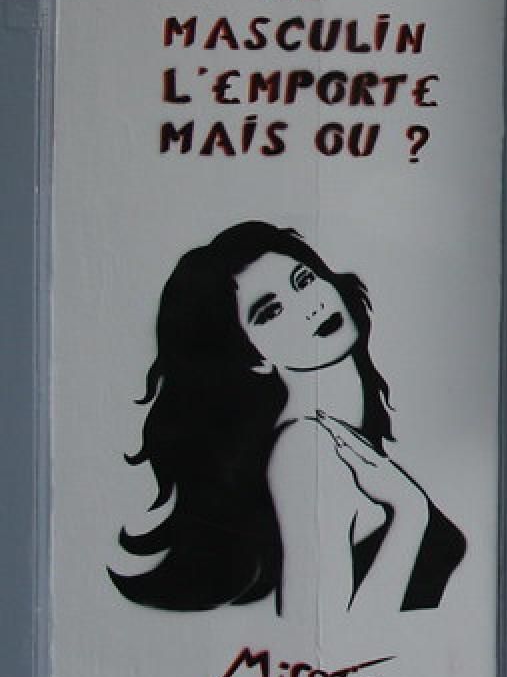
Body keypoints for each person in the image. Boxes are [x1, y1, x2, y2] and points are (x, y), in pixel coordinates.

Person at [111, 221, 465, 614]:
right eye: (271, 311)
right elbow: (325, 634)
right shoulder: (305, 450)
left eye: (304, 280)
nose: (311, 304)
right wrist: (409, 513)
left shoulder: (342, 436)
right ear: (252, 355)